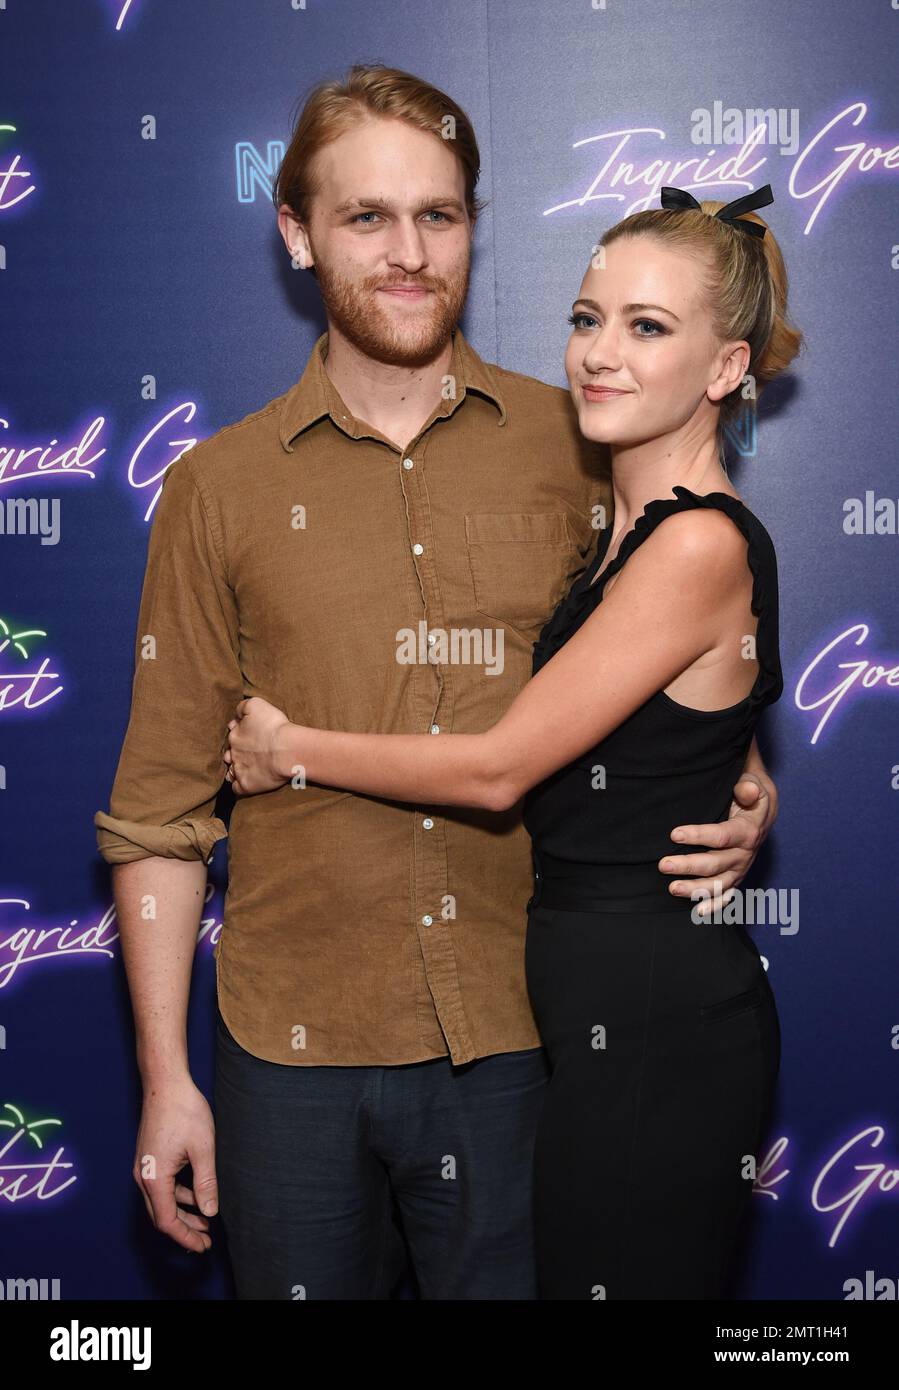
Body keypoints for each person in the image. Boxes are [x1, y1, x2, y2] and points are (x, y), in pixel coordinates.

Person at [96, 64, 780, 1301]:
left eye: (440, 215)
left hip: (521, 1046)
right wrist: (164, 1076)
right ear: (297, 234)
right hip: (287, 1050)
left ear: (473, 225)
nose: (409, 253)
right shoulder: (214, 488)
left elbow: (679, 647)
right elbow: (155, 810)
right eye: (366, 217)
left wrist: (740, 777)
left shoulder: (580, 442)